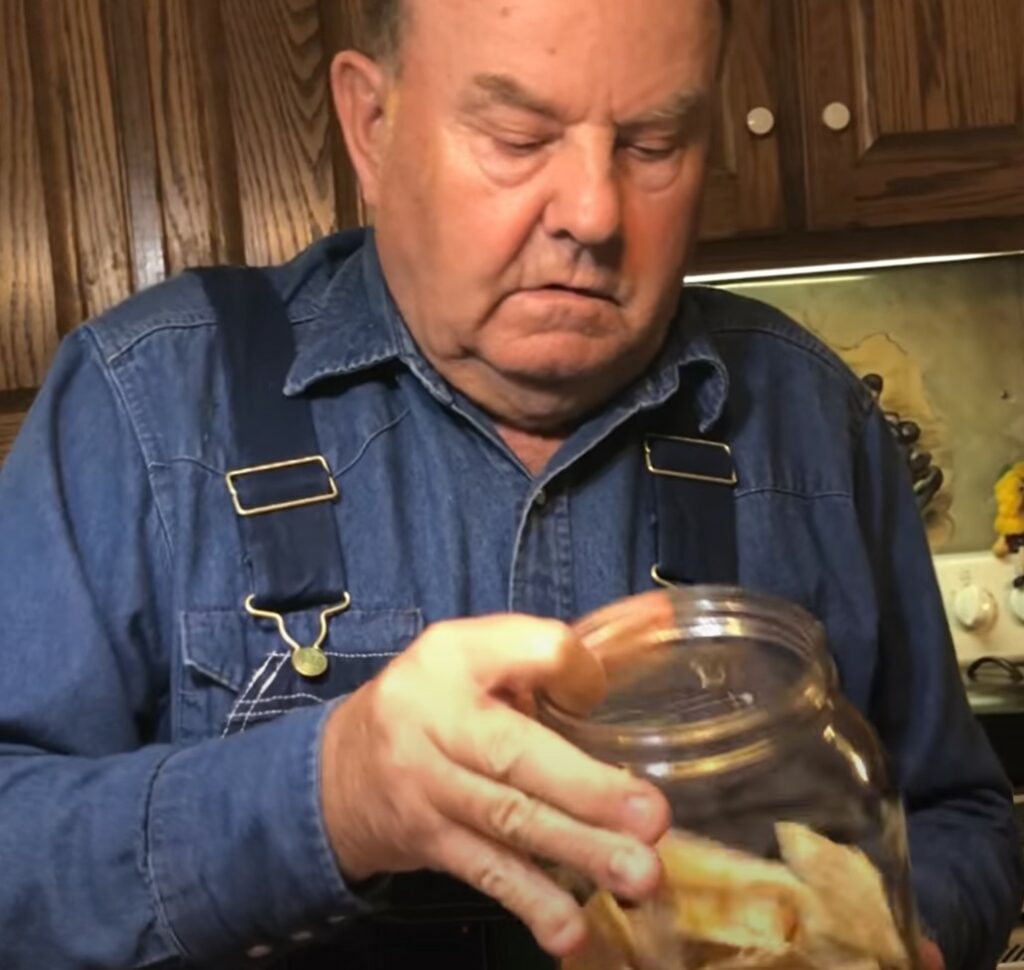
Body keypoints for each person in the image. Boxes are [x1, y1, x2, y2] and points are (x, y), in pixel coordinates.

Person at [0, 0, 1019, 968]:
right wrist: (328, 796)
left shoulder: (813, 418)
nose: (592, 213)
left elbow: (961, 816)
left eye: (653, 144)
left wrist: (894, 934)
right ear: (370, 124)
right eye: (518, 138)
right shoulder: (144, 404)